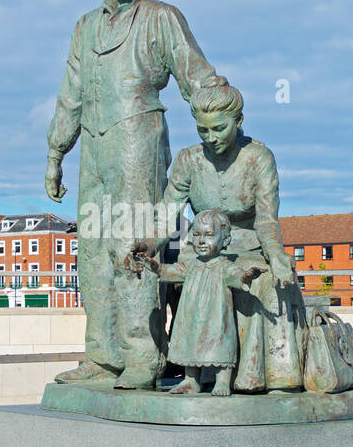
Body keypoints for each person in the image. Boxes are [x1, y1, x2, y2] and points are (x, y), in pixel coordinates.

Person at [45, 0, 215, 389]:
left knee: (135, 246)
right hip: (94, 150)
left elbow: (195, 75)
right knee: (93, 253)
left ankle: (144, 356)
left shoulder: (162, 18)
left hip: (137, 140)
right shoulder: (84, 27)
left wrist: (222, 124)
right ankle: (102, 357)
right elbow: (71, 92)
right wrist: (56, 152)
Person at [128, 78, 307, 392]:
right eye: (203, 130)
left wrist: (277, 255)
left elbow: (267, 220)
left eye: (219, 129)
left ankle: (257, 376)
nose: (210, 138)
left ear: (238, 122)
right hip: (202, 250)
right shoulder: (188, 161)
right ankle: (184, 370)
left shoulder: (259, 158)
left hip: (250, 247)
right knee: (185, 278)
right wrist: (148, 245)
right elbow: (167, 217)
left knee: (264, 281)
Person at [129, 208, 262, 395]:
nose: (201, 241)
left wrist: (247, 276)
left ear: (224, 240)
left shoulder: (224, 266)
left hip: (216, 317)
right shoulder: (190, 265)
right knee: (189, 343)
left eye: (208, 235)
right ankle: (190, 380)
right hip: (191, 317)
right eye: (197, 234)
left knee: (220, 343)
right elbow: (168, 271)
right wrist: (154, 266)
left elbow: (237, 275)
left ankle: (222, 382)